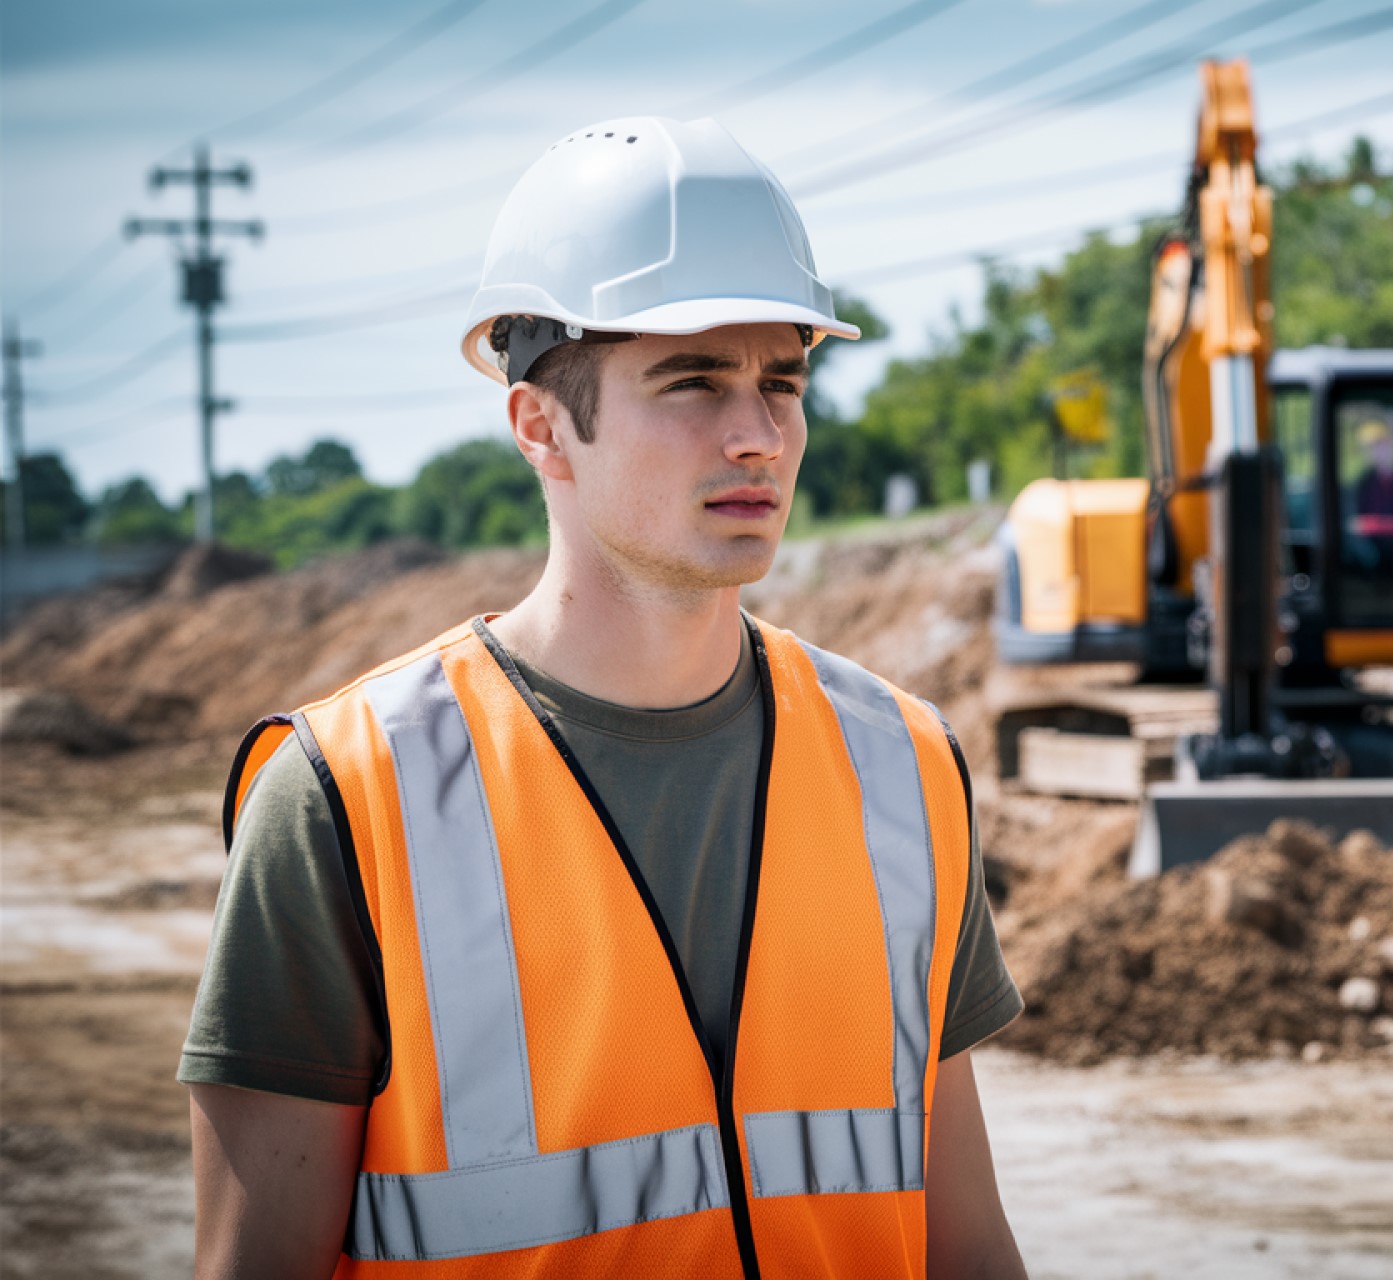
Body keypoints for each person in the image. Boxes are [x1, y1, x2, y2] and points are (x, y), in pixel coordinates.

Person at [179, 117, 1029, 1279]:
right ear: (540, 424)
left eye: (783, 380)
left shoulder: (905, 765)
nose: (759, 433)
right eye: (692, 381)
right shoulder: (348, 797)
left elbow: (968, 1247)